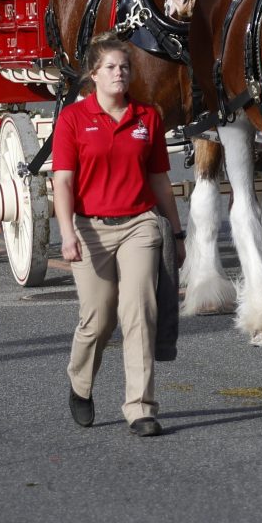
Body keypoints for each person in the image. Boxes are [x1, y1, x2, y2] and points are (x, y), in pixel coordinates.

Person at [52, 38, 185, 436]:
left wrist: (176, 233)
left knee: (139, 312)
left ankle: (140, 407)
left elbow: (161, 180)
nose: (119, 73)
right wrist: (67, 234)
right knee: (98, 320)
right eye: (110, 67)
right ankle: (80, 385)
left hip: (139, 225)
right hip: (90, 229)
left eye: (124, 67)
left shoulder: (147, 118)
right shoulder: (74, 119)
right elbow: (62, 182)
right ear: (94, 75)